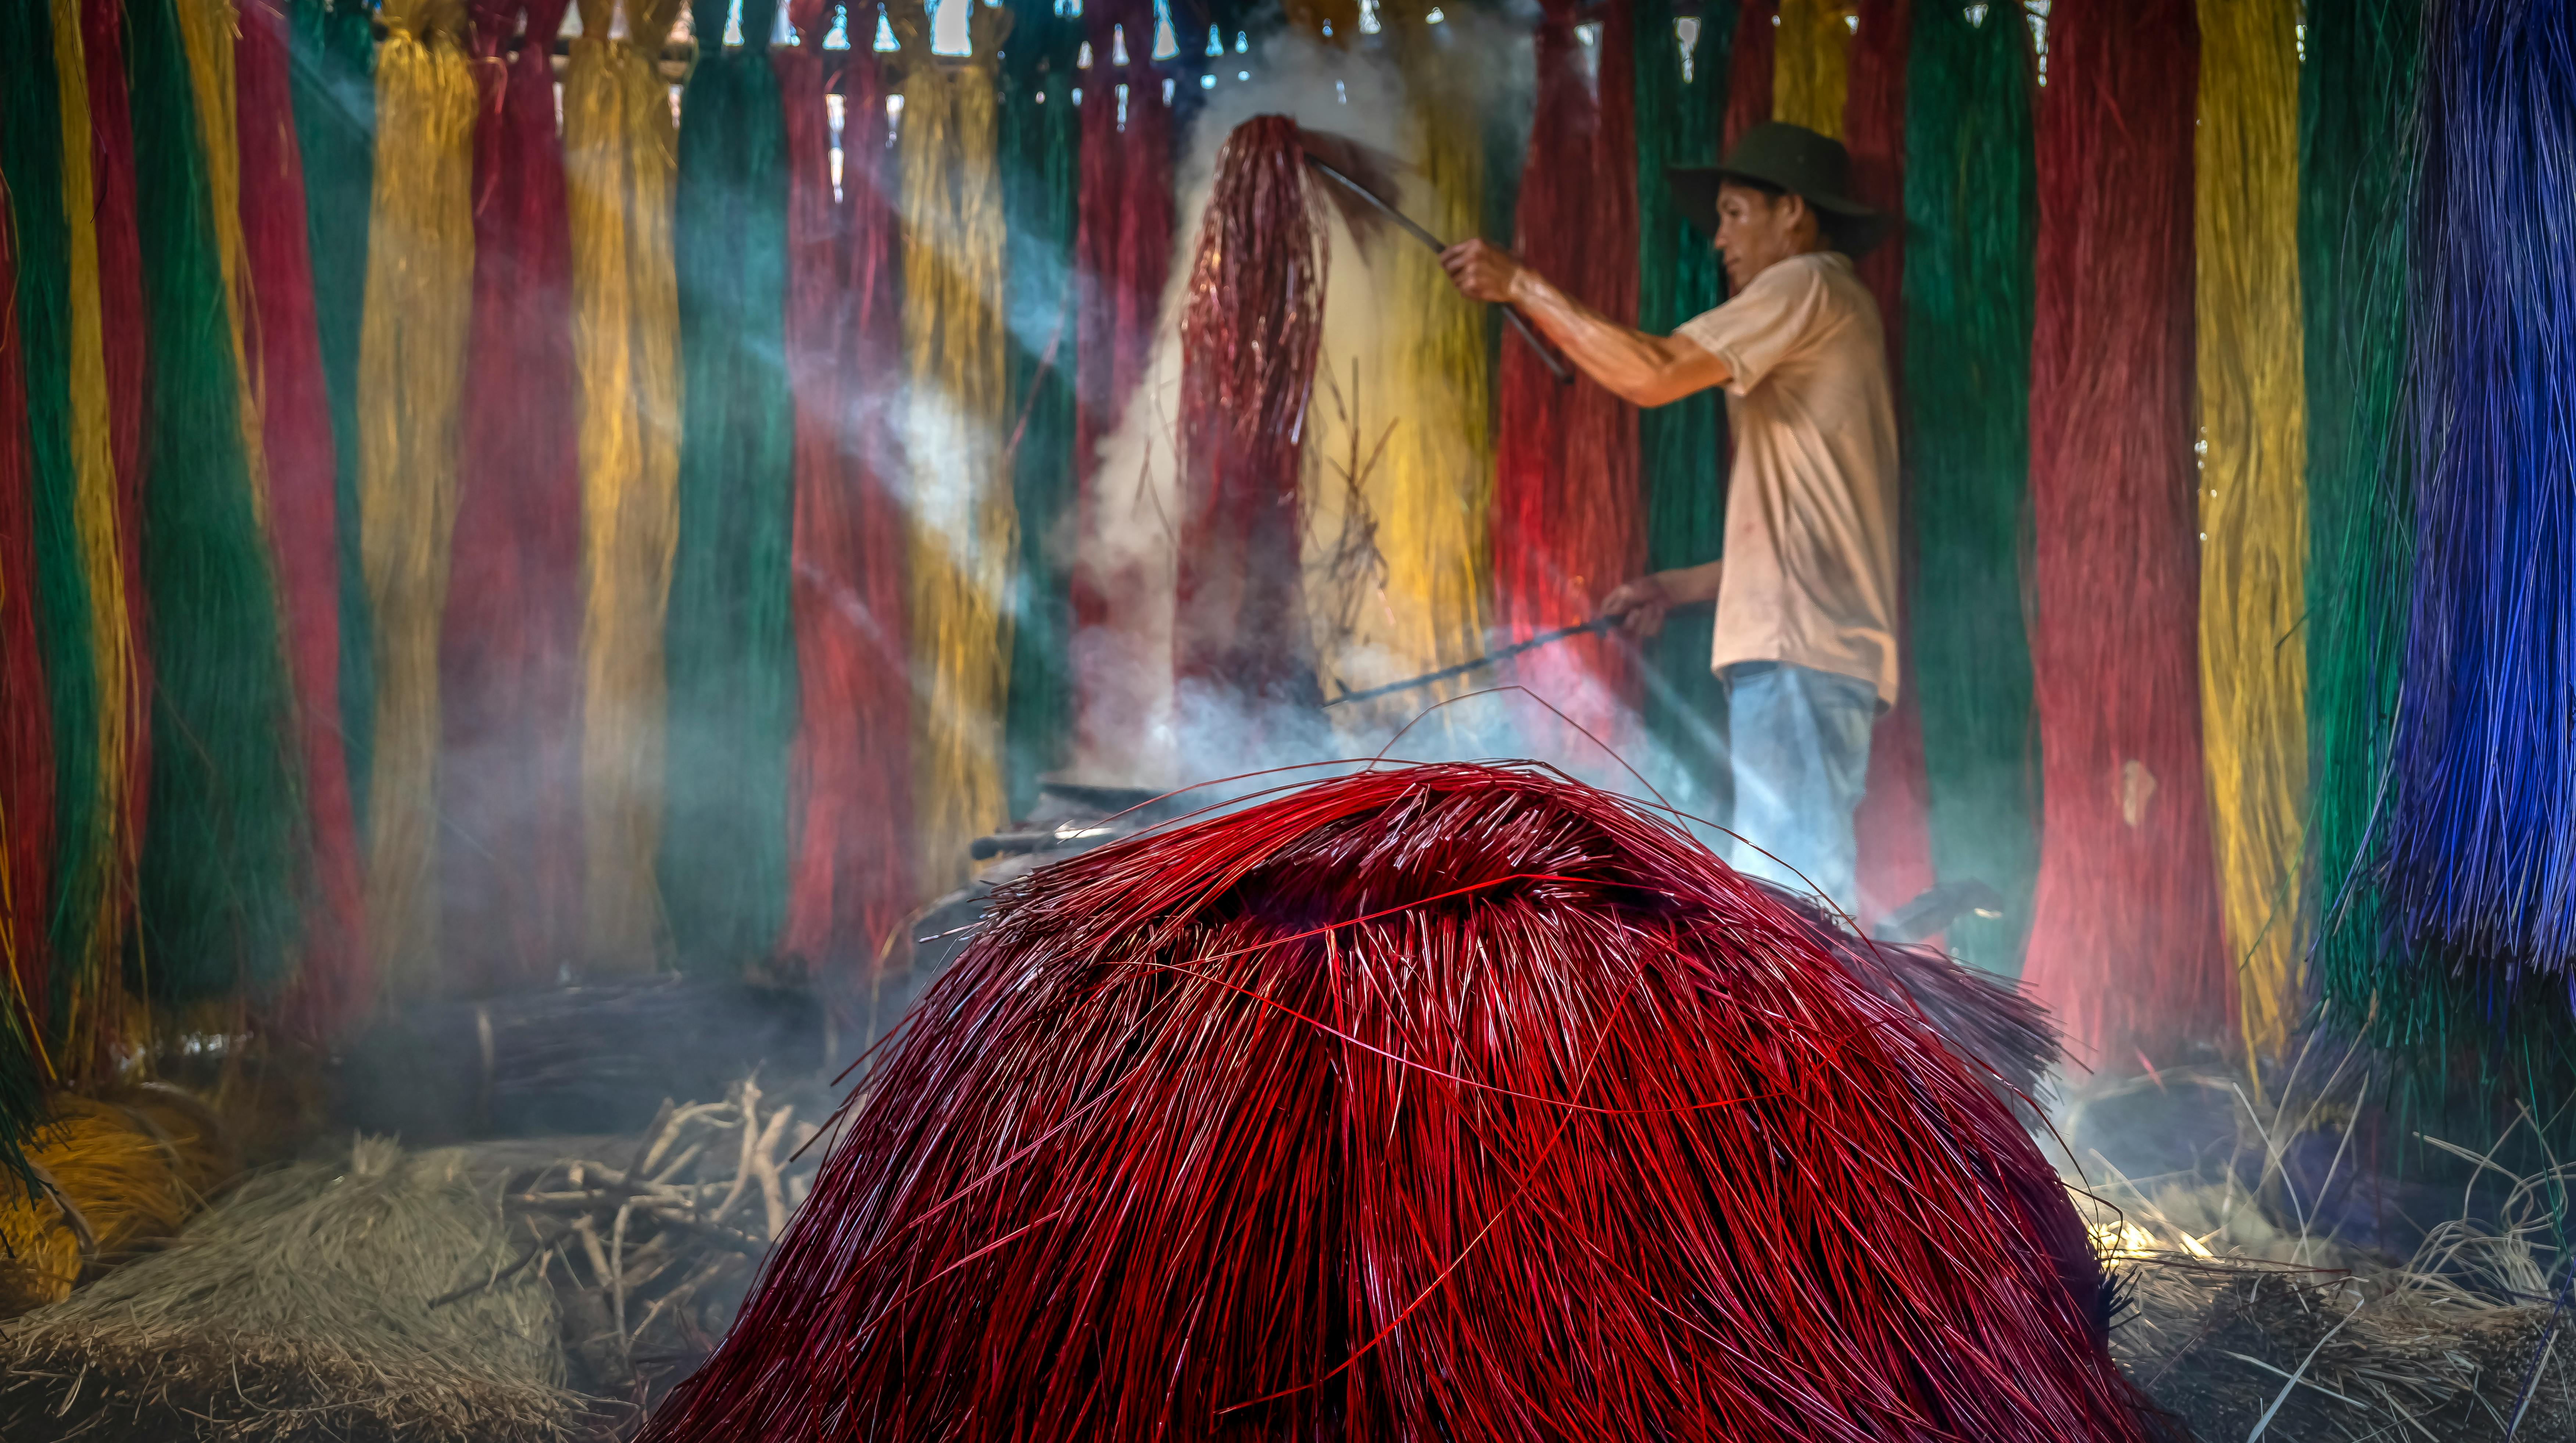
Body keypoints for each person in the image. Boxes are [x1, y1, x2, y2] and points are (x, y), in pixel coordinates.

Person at [1441, 122, 1899, 911]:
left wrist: (1523, 286)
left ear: (1794, 212)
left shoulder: (1809, 284)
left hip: (1800, 653)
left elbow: (1652, 374)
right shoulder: (1832, 310)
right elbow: (1805, 536)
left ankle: (1817, 1042)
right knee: (1789, 899)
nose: (1718, 237)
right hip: (1812, 648)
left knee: (1791, 918)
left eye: (1732, 212)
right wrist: (1676, 587)